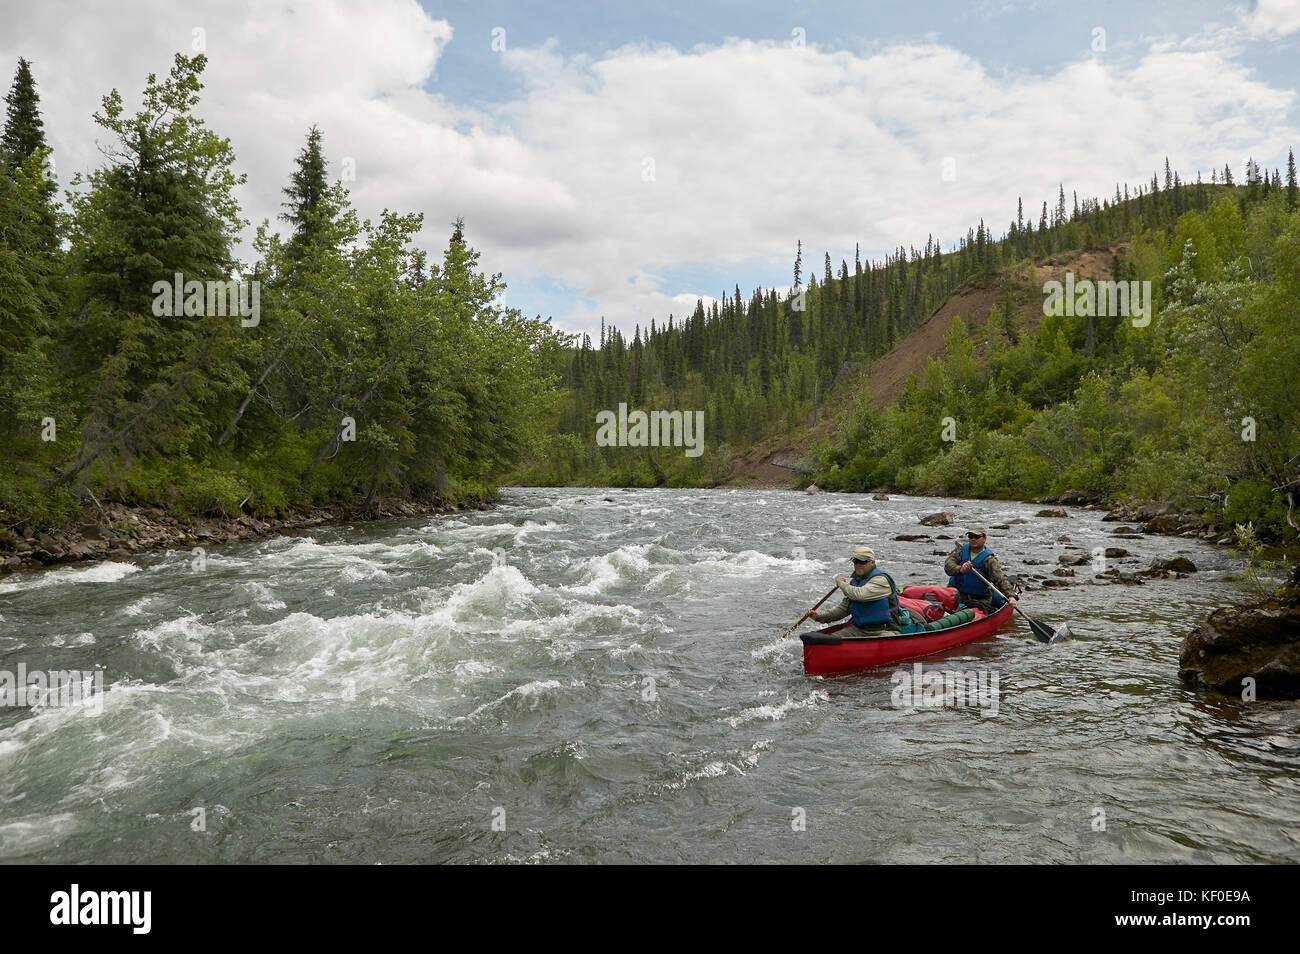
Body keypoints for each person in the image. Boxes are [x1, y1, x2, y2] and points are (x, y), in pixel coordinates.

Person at [802, 545, 904, 636]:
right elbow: (843, 609)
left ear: (872, 563)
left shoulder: (881, 580)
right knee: (831, 639)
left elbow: (860, 595)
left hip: (885, 630)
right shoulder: (854, 583)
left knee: (882, 641)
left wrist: (841, 584)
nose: (858, 564)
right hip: (859, 629)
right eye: (856, 561)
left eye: (863, 562)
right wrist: (819, 617)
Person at [944, 525, 1018, 613]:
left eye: (977, 536)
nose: (973, 539)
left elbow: (1000, 579)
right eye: (970, 536)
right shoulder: (961, 551)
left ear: (984, 538)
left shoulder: (989, 560)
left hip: (979, 598)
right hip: (957, 594)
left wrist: (1011, 596)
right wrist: (960, 569)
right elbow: (948, 566)